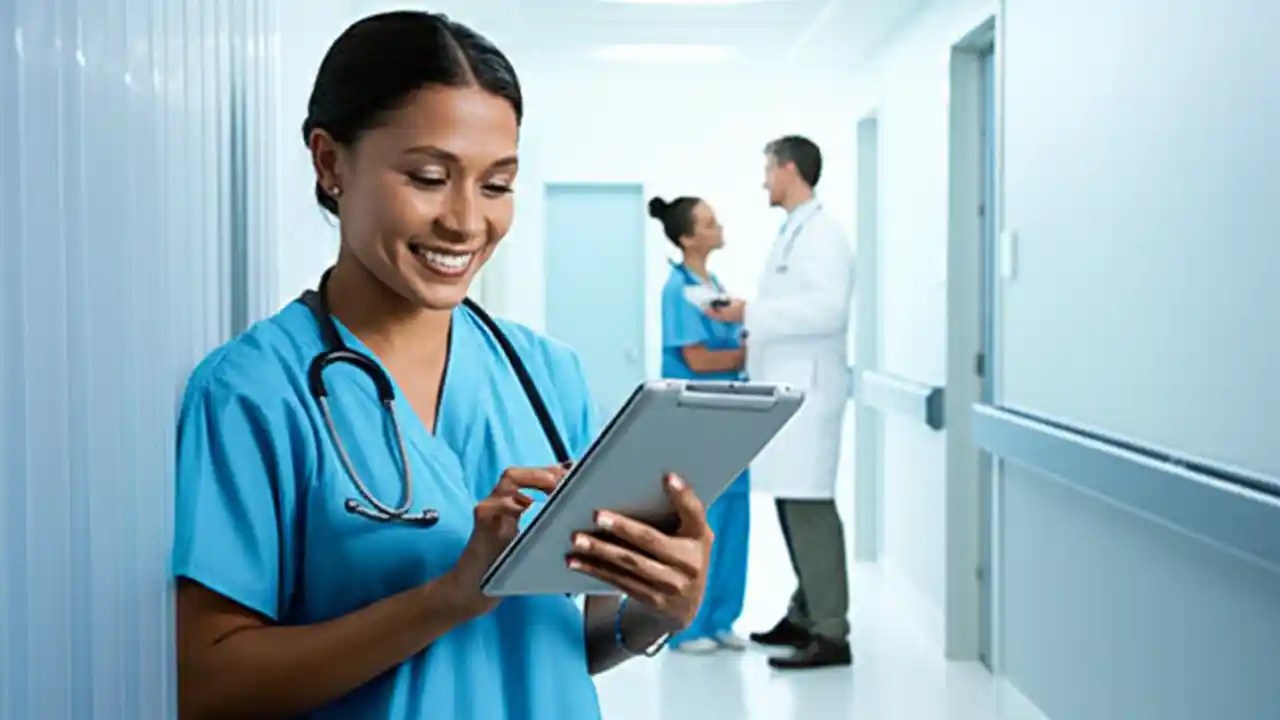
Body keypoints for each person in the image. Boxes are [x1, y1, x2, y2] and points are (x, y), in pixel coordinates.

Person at [171, 12, 713, 720]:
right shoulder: (253, 392)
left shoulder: (547, 377)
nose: (465, 221)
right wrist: (447, 600)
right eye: (429, 177)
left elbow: (563, 637)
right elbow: (208, 684)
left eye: (496, 185)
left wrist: (661, 609)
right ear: (330, 162)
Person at [706, 135, 854, 670]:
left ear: (790, 170)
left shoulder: (825, 235)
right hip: (790, 389)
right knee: (793, 504)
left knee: (809, 507)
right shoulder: (797, 231)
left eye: (769, 170)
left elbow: (828, 312)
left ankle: (832, 632)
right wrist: (755, 328)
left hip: (811, 393)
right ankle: (805, 612)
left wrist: (750, 313)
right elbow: (791, 308)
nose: (764, 180)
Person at [649, 195, 751, 654]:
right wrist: (758, 348)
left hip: (729, 416)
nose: (719, 226)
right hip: (695, 418)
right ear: (688, 237)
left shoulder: (713, 283)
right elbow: (697, 357)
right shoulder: (678, 290)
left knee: (733, 516)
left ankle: (720, 619)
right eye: (710, 223)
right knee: (698, 519)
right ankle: (687, 627)